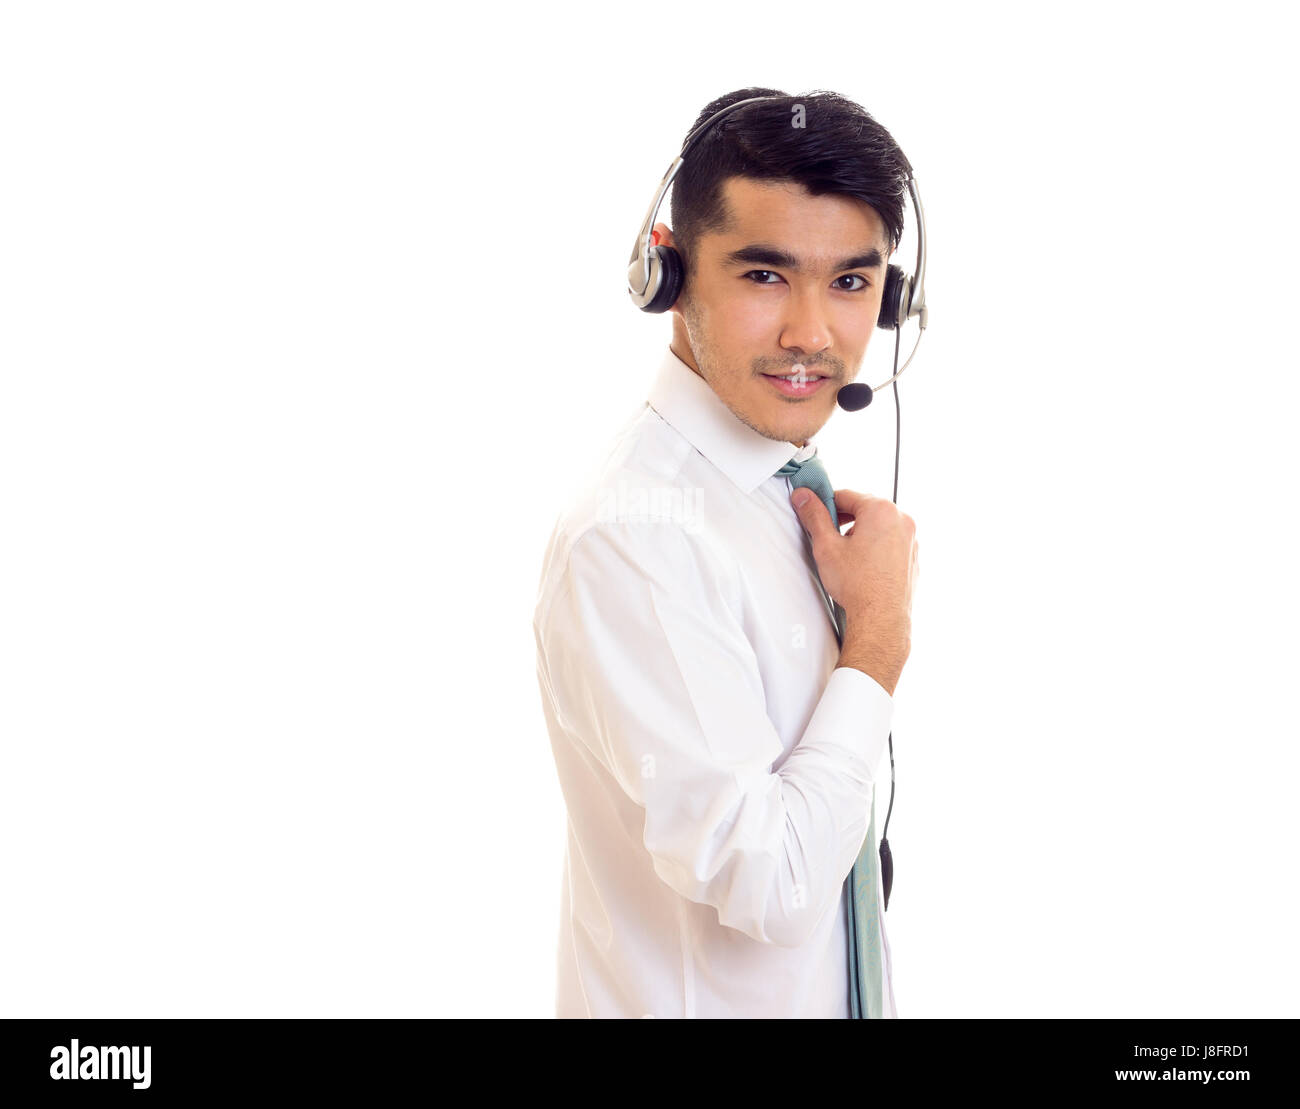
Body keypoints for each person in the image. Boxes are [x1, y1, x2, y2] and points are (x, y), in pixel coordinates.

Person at [532, 87, 920, 1018]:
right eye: (763, 275)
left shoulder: (775, 496)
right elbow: (772, 882)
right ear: (665, 274)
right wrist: (876, 641)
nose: (811, 335)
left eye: (851, 282)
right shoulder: (635, 539)